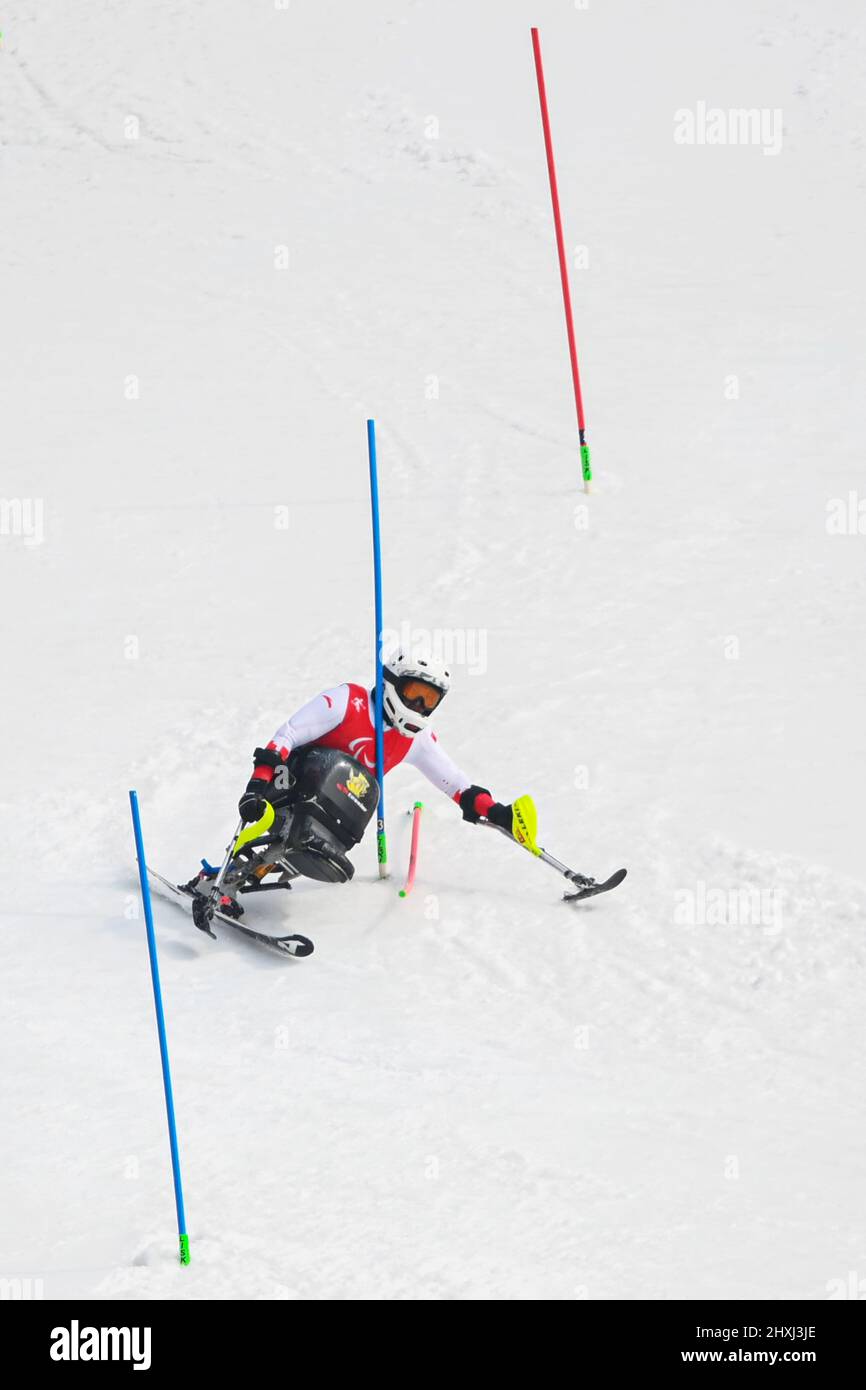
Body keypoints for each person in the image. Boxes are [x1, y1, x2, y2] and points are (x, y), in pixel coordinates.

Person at [185, 646, 514, 917]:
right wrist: (257, 785)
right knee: (334, 775)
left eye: (429, 700)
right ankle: (217, 882)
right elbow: (287, 735)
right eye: (414, 694)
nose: (419, 706)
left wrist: (495, 811)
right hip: (290, 786)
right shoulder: (347, 701)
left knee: (360, 788)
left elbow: (455, 782)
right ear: (391, 684)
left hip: (334, 811)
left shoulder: (416, 739)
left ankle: (251, 872)